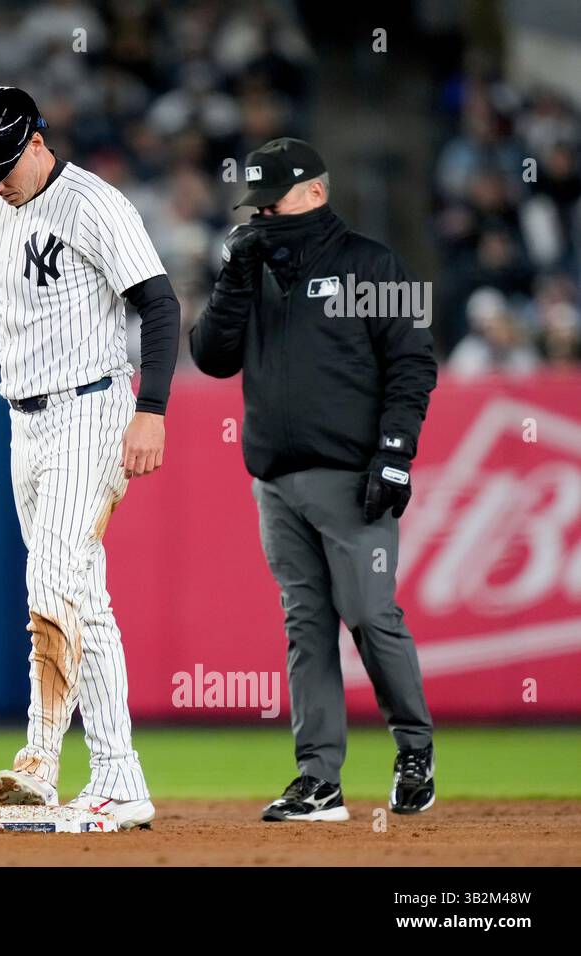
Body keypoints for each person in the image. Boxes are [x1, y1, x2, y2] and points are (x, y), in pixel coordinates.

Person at [0, 87, 181, 829]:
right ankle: (119, 776)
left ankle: (40, 758)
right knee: (85, 598)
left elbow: (162, 304)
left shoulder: (94, 205)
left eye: (2, 167)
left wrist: (152, 411)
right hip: (26, 416)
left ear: (39, 142)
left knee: (51, 572)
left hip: (93, 407)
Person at [190, 137, 438, 821]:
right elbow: (210, 358)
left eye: (275, 200)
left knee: (368, 614)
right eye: (257, 204)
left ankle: (415, 747)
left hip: (352, 475)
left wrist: (395, 452)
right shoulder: (254, 270)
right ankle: (318, 779)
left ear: (317, 193)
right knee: (306, 626)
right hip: (274, 478)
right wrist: (233, 279)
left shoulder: (376, 263)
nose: (264, 214)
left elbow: (415, 364)